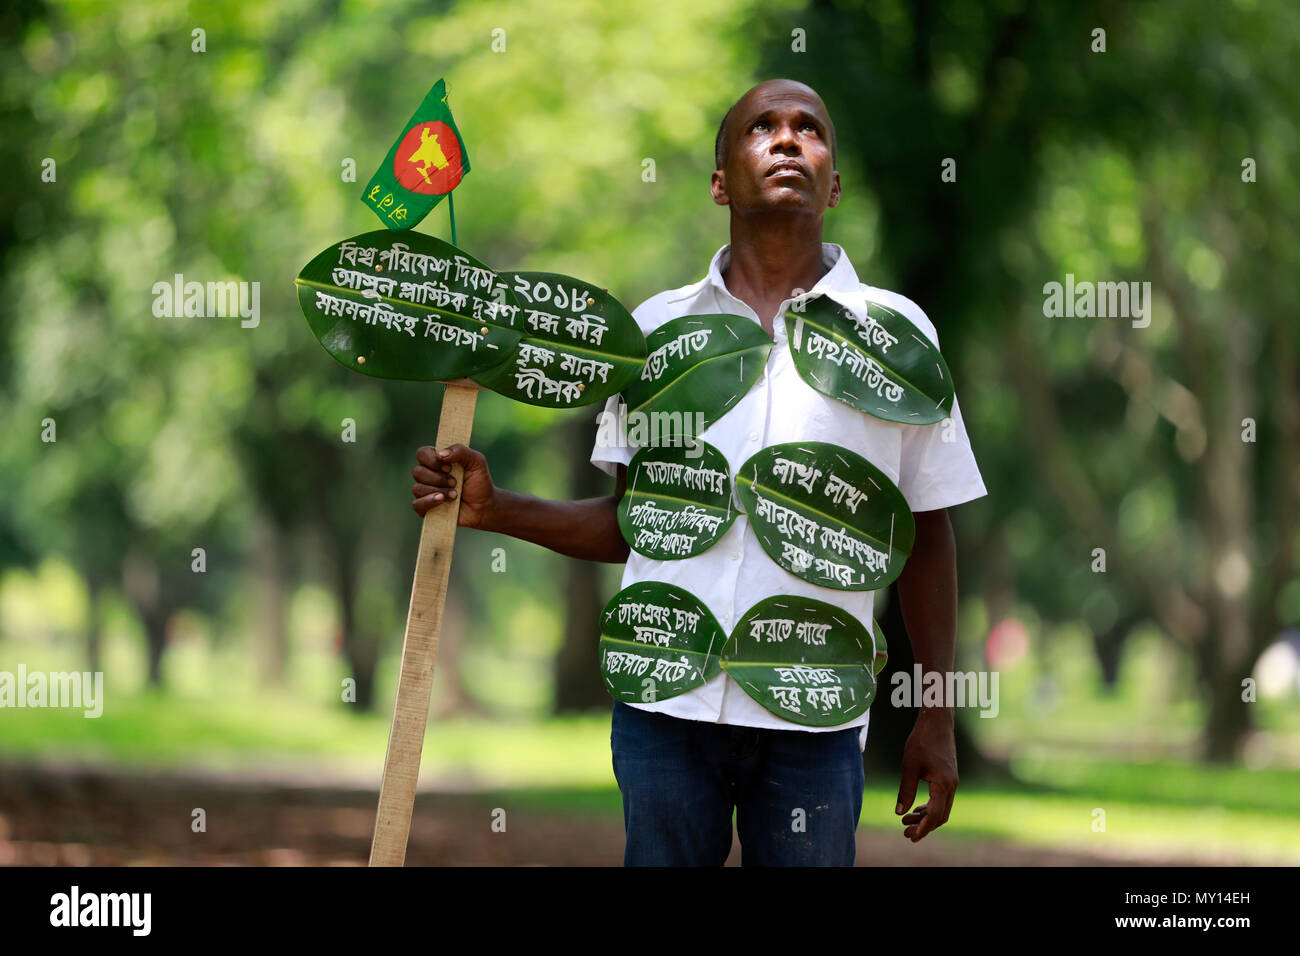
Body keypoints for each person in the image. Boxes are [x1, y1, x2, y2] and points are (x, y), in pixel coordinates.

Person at [411, 78, 987, 866]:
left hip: (813, 716)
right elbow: (631, 523)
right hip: (663, 703)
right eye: (762, 128)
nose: (788, 141)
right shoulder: (654, 333)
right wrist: (495, 508)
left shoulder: (897, 337)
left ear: (836, 183)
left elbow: (925, 532)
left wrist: (936, 711)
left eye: (809, 129)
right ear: (720, 180)